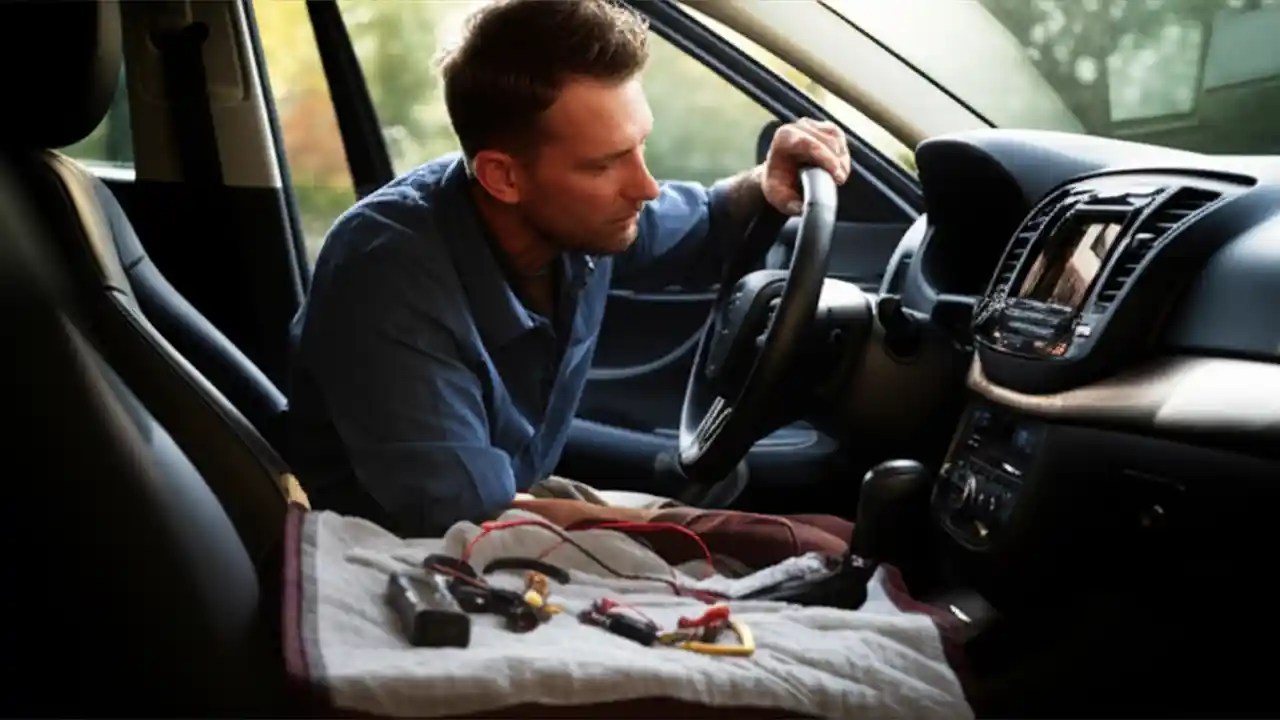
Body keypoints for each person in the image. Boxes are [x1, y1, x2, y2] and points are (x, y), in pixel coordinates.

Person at [287, 0, 852, 538]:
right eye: (606, 164)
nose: (646, 186)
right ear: (503, 177)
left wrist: (764, 182)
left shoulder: (573, 218)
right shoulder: (385, 275)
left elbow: (704, 221)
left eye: (640, 148)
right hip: (400, 551)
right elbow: (468, 518)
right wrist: (736, 539)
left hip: (510, 501)